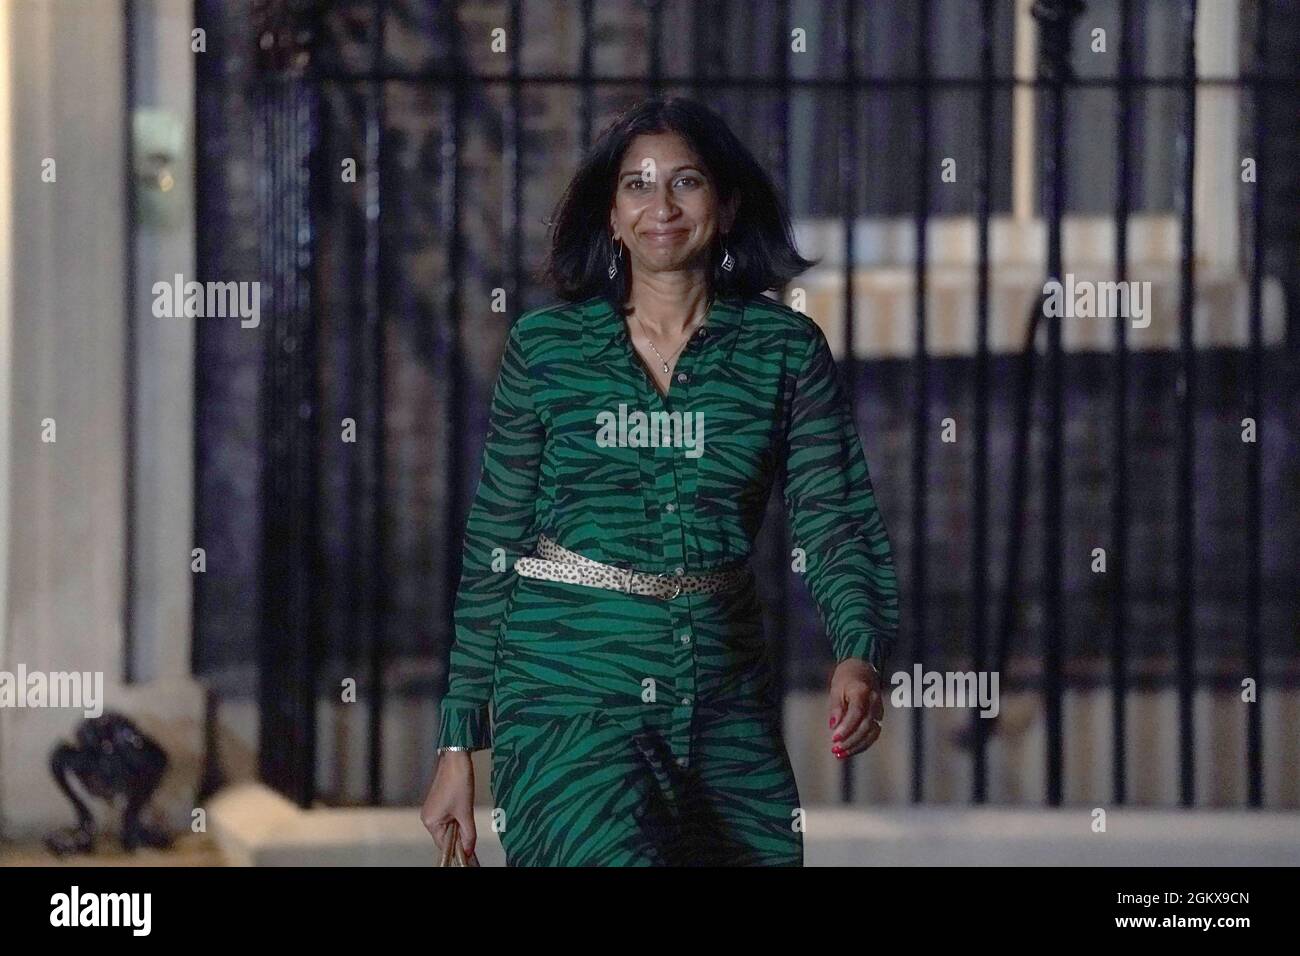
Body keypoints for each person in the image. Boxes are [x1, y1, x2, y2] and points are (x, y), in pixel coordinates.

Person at [420, 95, 898, 866]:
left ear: (728, 203)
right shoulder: (547, 350)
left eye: (686, 182)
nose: (661, 206)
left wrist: (859, 649)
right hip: (567, 687)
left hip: (721, 693)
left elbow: (834, 514)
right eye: (637, 186)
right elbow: (496, 542)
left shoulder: (785, 352)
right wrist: (456, 741)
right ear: (610, 215)